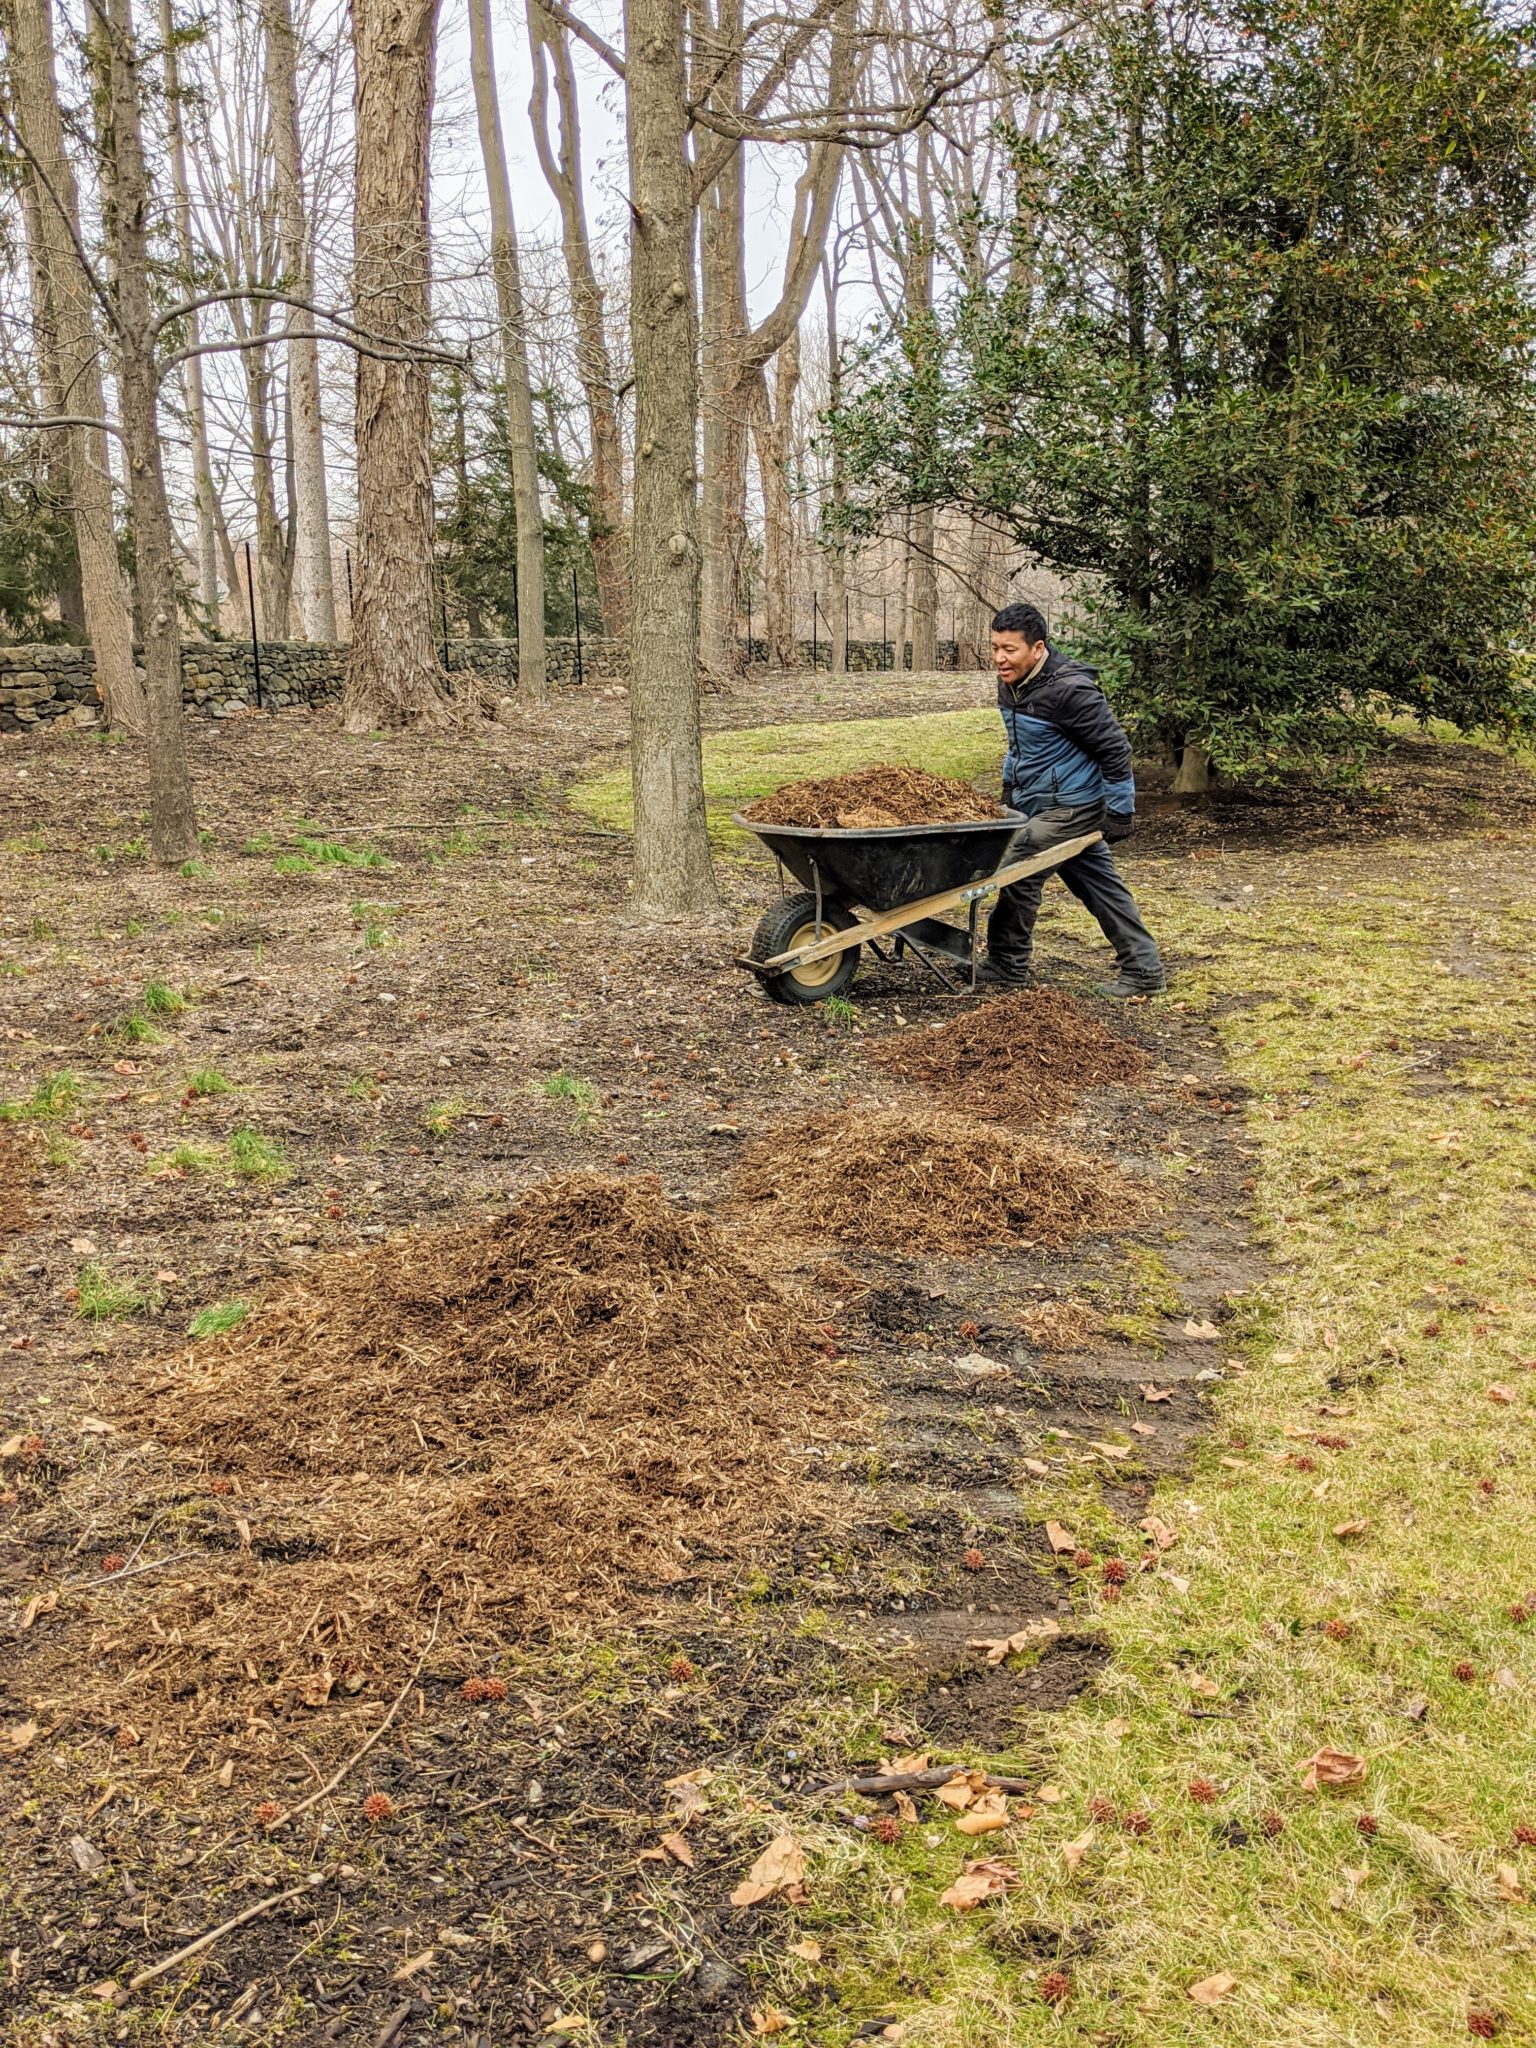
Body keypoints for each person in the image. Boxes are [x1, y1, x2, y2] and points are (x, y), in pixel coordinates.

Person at [983, 602, 1167, 997]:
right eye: (995, 647)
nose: (999, 658)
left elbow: (1115, 750)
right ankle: (1144, 970)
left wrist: (1121, 812)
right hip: (1037, 802)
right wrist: (1009, 788)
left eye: (1009, 649)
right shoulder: (1010, 682)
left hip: (1074, 805)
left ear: (1038, 648)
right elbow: (1019, 745)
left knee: (1018, 862)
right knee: (1097, 882)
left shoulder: (1071, 691)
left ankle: (1006, 961)